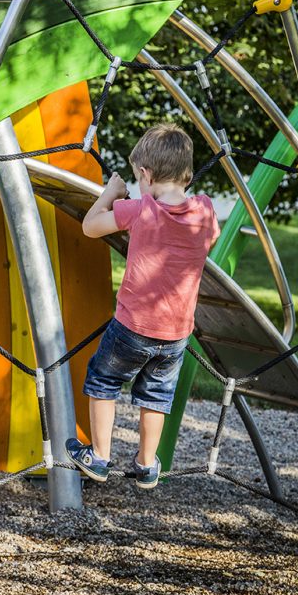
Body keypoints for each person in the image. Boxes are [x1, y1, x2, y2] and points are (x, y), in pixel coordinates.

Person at [66, 123, 219, 489]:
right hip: (176, 335)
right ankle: (147, 464)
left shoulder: (141, 210)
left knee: (103, 380)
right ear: (187, 176)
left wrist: (111, 193)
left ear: (146, 175)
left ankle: (99, 456)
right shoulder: (205, 211)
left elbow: (90, 226)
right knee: (156, 396)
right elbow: (210, 239)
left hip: (132, 328)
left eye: (138, 179)